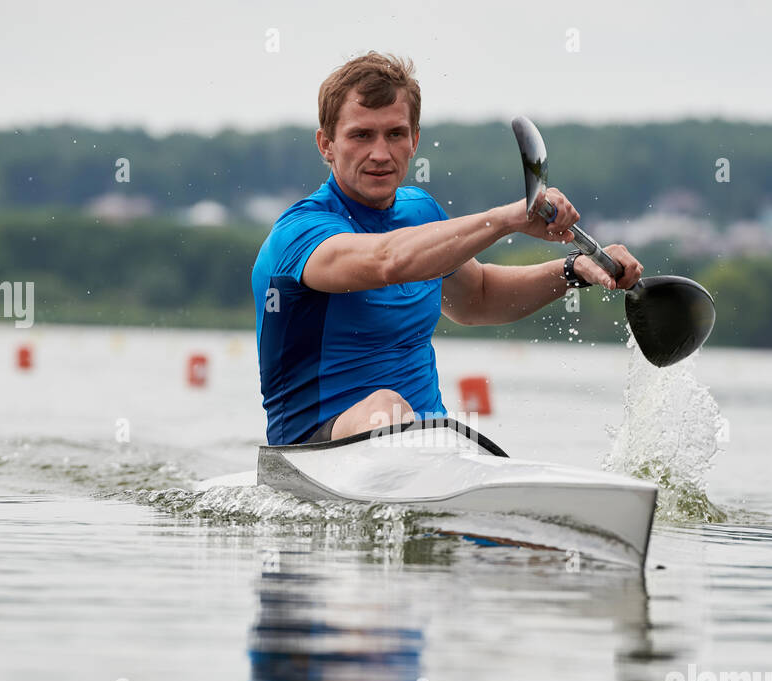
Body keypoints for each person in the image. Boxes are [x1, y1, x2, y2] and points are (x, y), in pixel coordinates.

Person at [251, 52, 643, 446]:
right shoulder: (300, 231)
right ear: (326, 144)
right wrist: (507, 219)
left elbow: (480, 298)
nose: (380, 153)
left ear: (414, 140)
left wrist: (574, 270)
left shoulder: (421, 212)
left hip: (425, 450)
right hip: (311, 451)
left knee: (424, 428)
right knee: (385, 408)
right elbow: (389, 260)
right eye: (361, 135)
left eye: (395, 134)